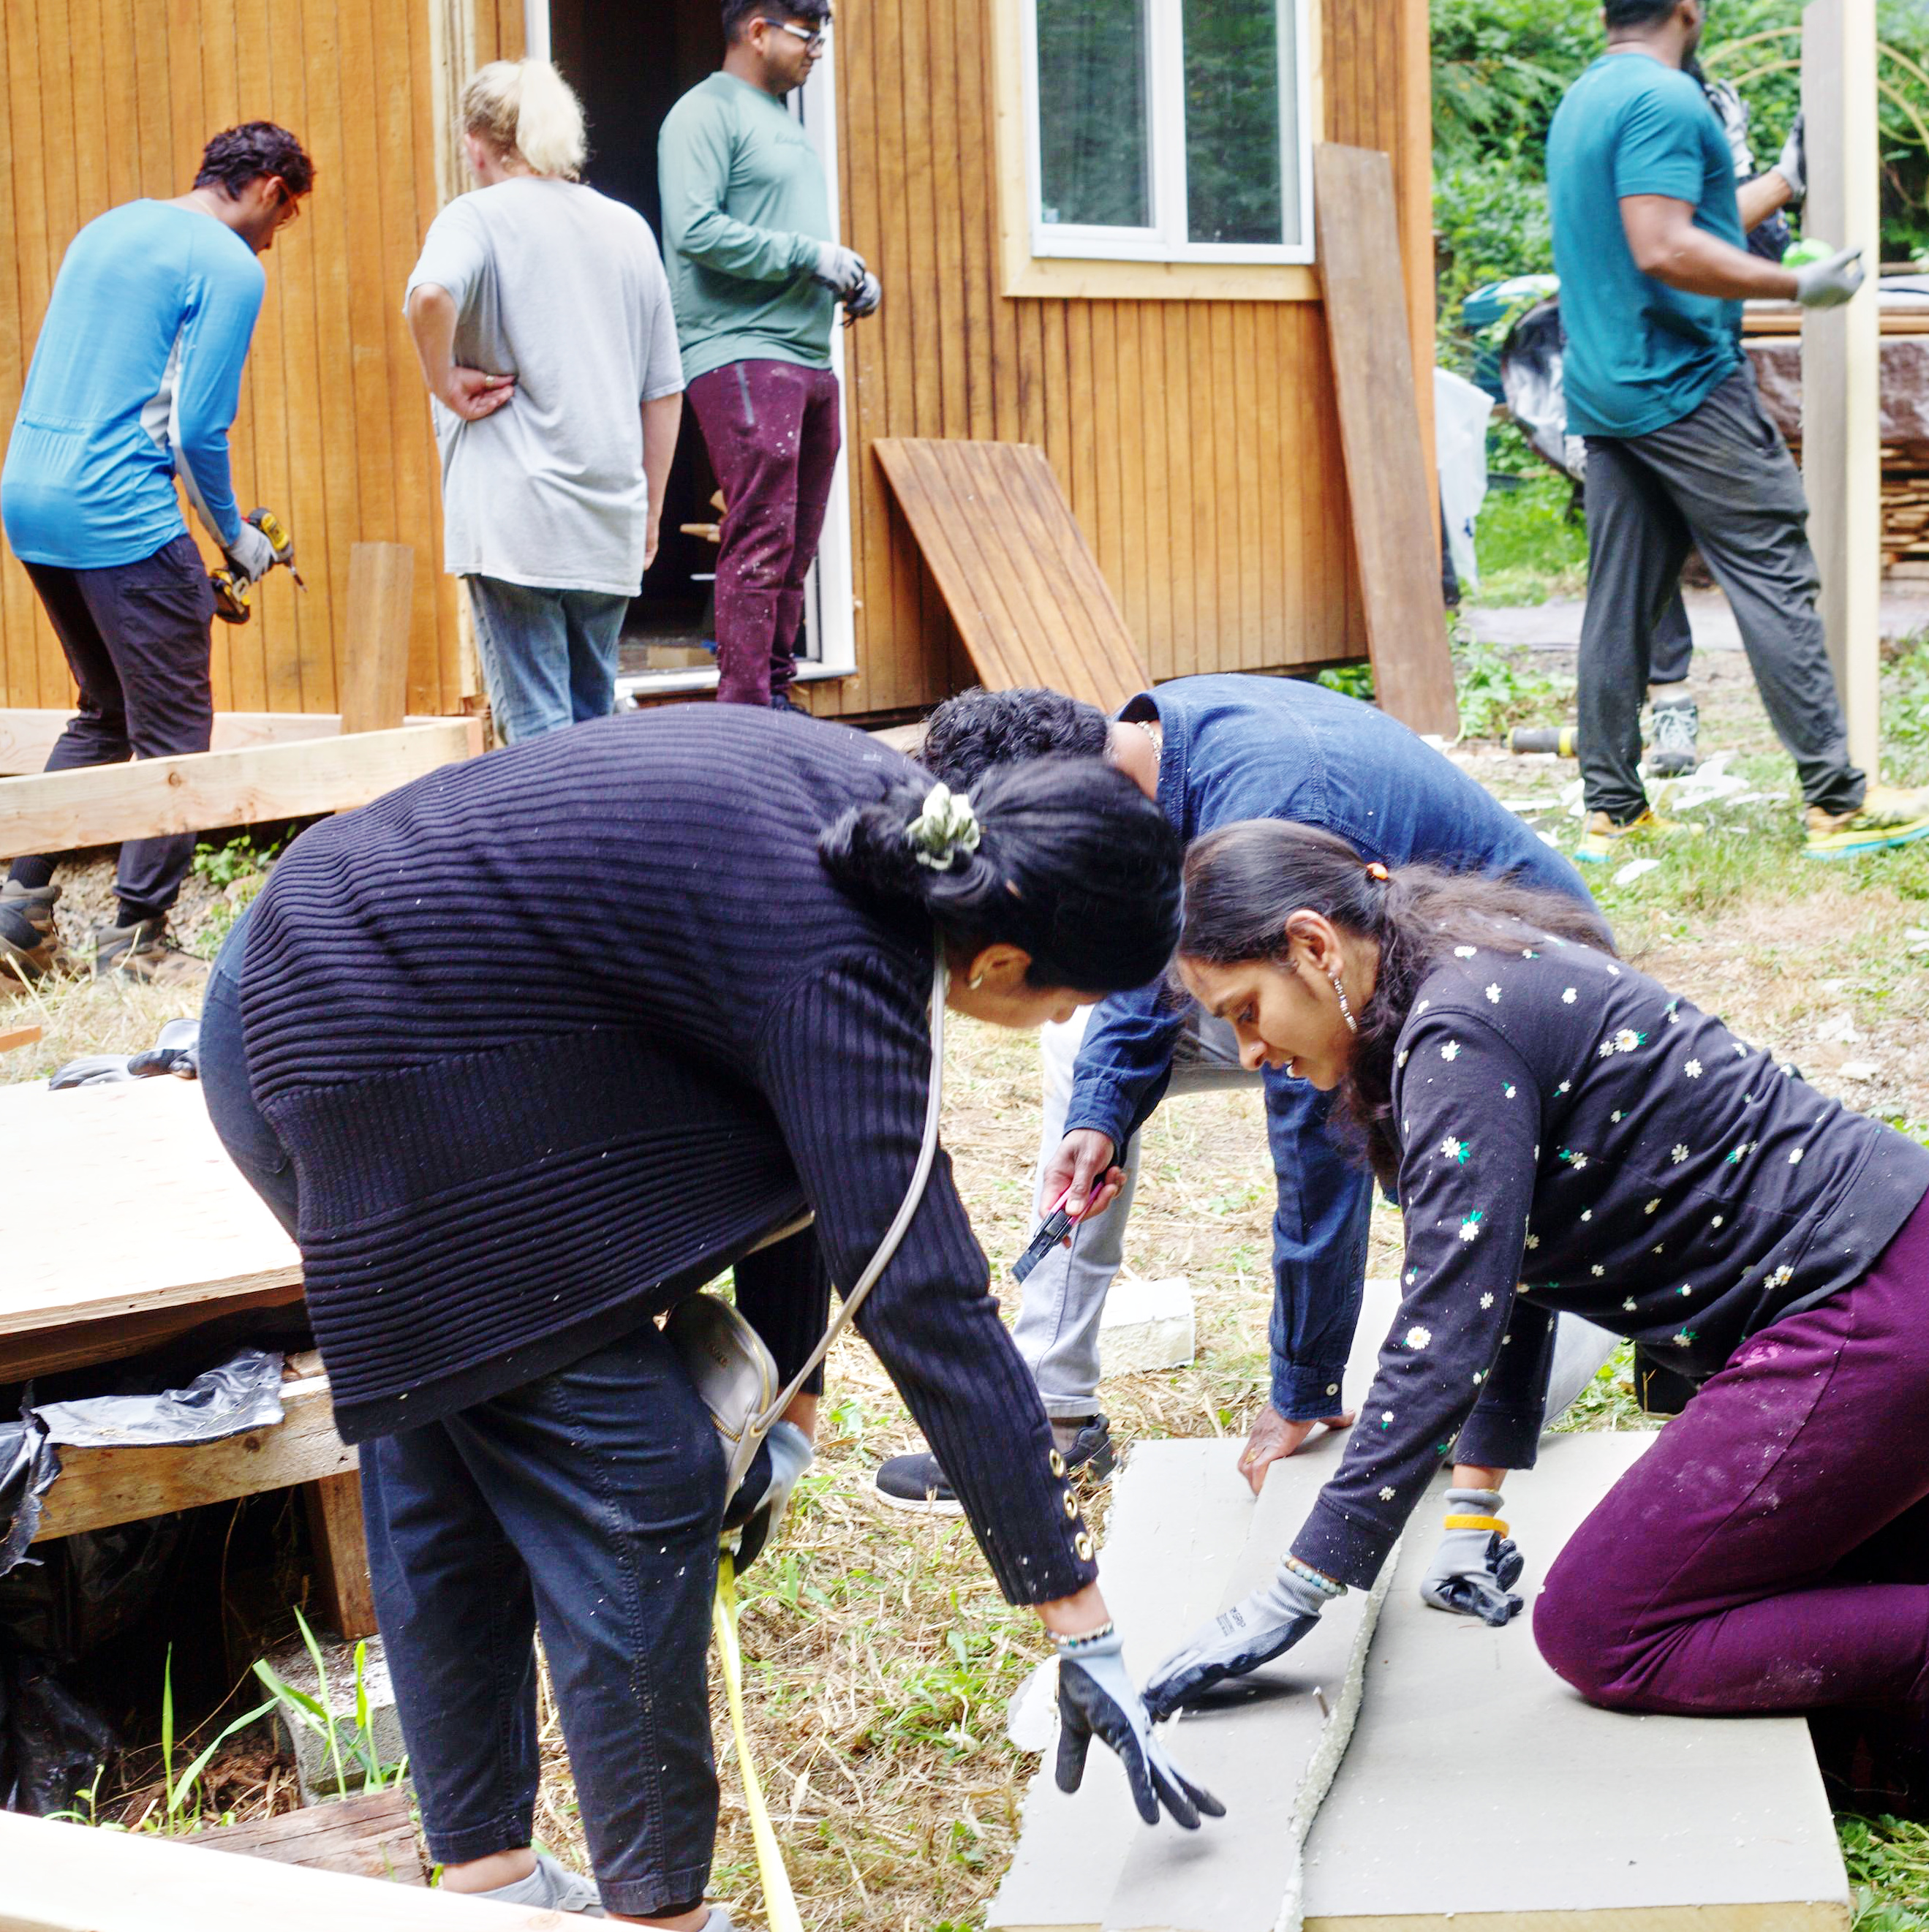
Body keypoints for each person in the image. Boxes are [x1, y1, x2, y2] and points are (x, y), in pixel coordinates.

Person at [1141, 820, 1929, 1835]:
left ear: (1316, 946)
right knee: (1855, 1719)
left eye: (1246, 1010)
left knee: (1601, 1630)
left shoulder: (1453, 1031)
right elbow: (1506, 1282)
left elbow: (1442, 1328)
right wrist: (1474, 1509)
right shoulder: (1460, 980)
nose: (1247, 1049)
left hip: (1876, 1325)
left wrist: (1304, 1585)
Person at [197, 710, 1218, 1930]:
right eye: (1074, 1002)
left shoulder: (878, 824)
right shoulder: (845, 959)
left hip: (308, 968)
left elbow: (815, 1173)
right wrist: (1074, 1608)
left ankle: (489, 1884)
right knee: (633, 1465)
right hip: (360, 1047)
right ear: (999, 960)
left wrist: (787, 1404)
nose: (1065, 1029)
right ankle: (658, 1915)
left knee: (456, 1414)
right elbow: (925, 1289)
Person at [872, 680, 1609, 1514]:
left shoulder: (1275, 797)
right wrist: (1100, 1115)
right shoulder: (1146, 751)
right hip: (1381, 982)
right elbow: (1148, 953)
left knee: (1463, 1409)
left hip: (1522, 998)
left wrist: (1304, 1376)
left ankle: (1591, 1309)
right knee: (1078, 1045)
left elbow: (1316, 1112)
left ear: (1074, 803)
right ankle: (1056, 1411)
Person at [1547, 0, 1929, 864]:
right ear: (1687, 7)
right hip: (1682, 382)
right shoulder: (1666, 100)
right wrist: (1788, 285)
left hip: (1608, 385)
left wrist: (1781, 182)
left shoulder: (1587, 99)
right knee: (1773, 563)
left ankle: (1612, 811)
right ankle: (1839, 801)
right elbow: (1662, 246)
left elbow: (1662, 222)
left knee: (1620, 596)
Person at [0, 122, 313, 986]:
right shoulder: (229, 264)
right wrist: (234, 538)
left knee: (102, 712)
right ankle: (138, 939)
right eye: (282, 224)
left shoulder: (109, 227)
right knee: (174, 731)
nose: (273, 243)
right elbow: (198, 429)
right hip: (118, 510)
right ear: (273, 193)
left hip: (31, 497)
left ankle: (19, 913)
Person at [406, 60, 684, 744]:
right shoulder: (626, 228)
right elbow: (663, 390)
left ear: (476, 142)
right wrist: (648, 505)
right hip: (606, 514)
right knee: (593, 726)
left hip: (514, 524)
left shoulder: (474, 217)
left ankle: (554, 853)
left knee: (536, 736)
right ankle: (599, 850)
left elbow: (431, 296)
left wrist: (443, 380)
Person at [659, 0, 880, 710]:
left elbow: (784, 238)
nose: (817, 49)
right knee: (760, 535)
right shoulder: (704, 113)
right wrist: (808, 255)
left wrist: (849, 278)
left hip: (809, 360)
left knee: (797, 544)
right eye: (807, 33)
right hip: (741, 353)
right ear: (757, 30)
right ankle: (746, 712)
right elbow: (695, 229)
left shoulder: (785, 125)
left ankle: (777, 699)